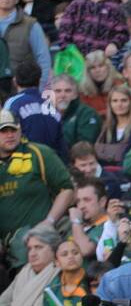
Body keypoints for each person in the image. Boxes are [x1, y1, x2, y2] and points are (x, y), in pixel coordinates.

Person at [0, 108, 74, 259]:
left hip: (39, 240)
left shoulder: (40, 153)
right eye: (3, 131)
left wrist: (49, 221)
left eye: (13, 130)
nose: (10, 135)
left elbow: (66, 189)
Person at [0, 224, 56, 306]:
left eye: (39, 247)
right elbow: (2, 305)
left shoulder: (60, 274)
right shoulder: (25, 272)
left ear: (54, 249)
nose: (32, 254)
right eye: (30, 249)